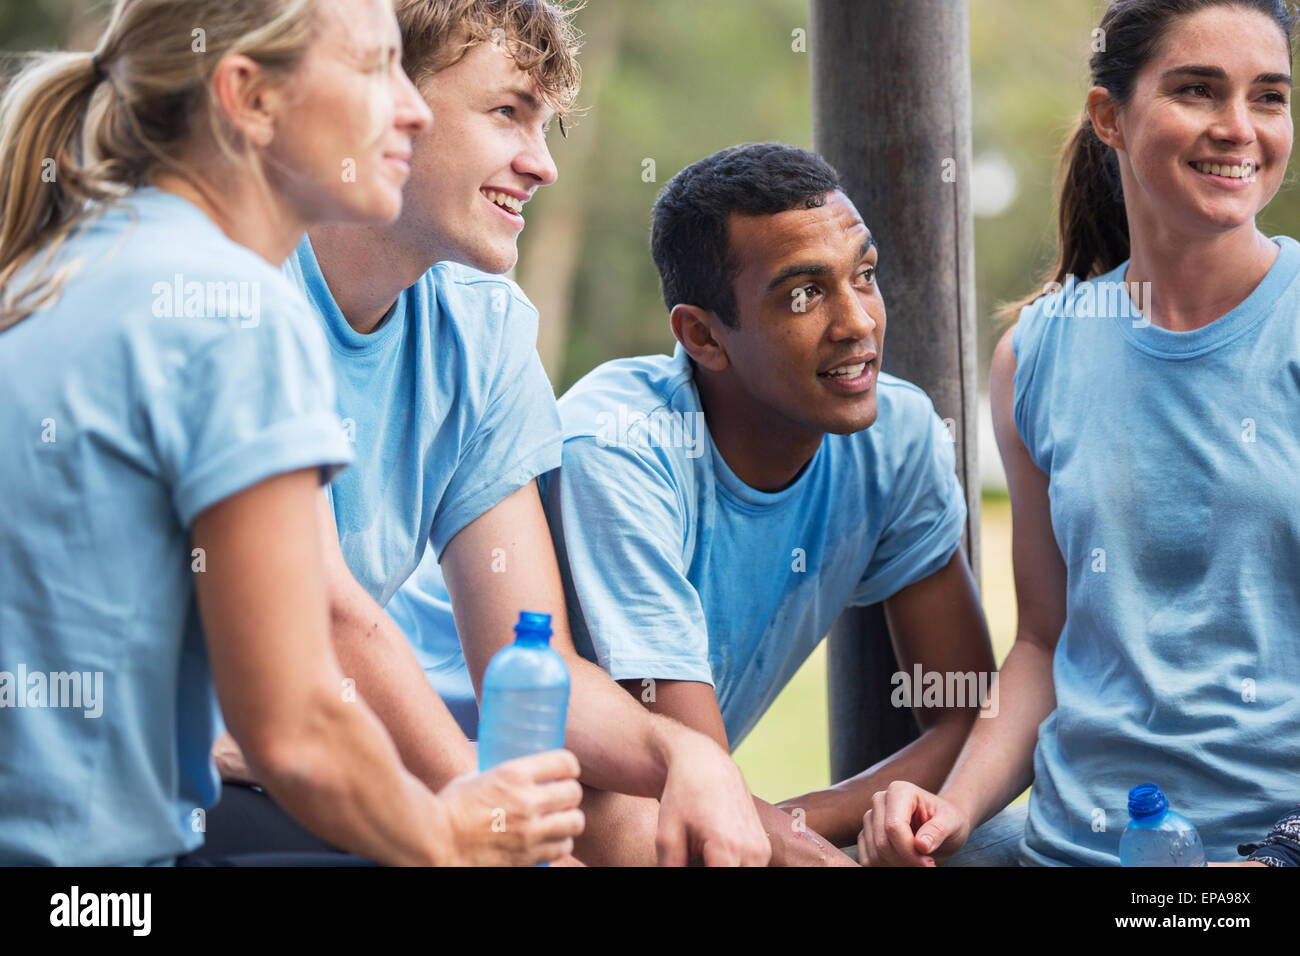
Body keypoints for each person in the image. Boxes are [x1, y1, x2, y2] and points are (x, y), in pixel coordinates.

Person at [0, 0, 582, 867]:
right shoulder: (233, 311)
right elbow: (299, 728)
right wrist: (454, 834)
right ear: (251, 100)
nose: (412, 109)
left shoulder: (74, 262)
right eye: (373, 70)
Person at [203, 0, 771, 867]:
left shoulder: (485, 328)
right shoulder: (241, 270)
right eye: (506, 112)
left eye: (546, 126)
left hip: (307, 757)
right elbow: (327, 613)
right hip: (176, 767)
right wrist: (482, 822)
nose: (540, 164)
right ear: (381, 94)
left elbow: (523, 647)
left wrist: (680, 753)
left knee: (618, 822)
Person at [859, 0, 1300, 867]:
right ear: (1109, 117)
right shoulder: (1037, 354)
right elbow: (1044, 641)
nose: (1238, 128)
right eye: (1197, 90)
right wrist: (951, 812)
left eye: (1270, 96)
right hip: (1068, 847)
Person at [534, 141, 999, 859]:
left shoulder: (897, 435)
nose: (859, 323)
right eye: (805, 294)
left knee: (1005, 840)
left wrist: (807, 818)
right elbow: (691, 776)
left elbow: (966, 718)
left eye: (864, 276)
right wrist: (772, 833)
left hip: (657, 802)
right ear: (701, 336)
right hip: (484, 776)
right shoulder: (622, 446)